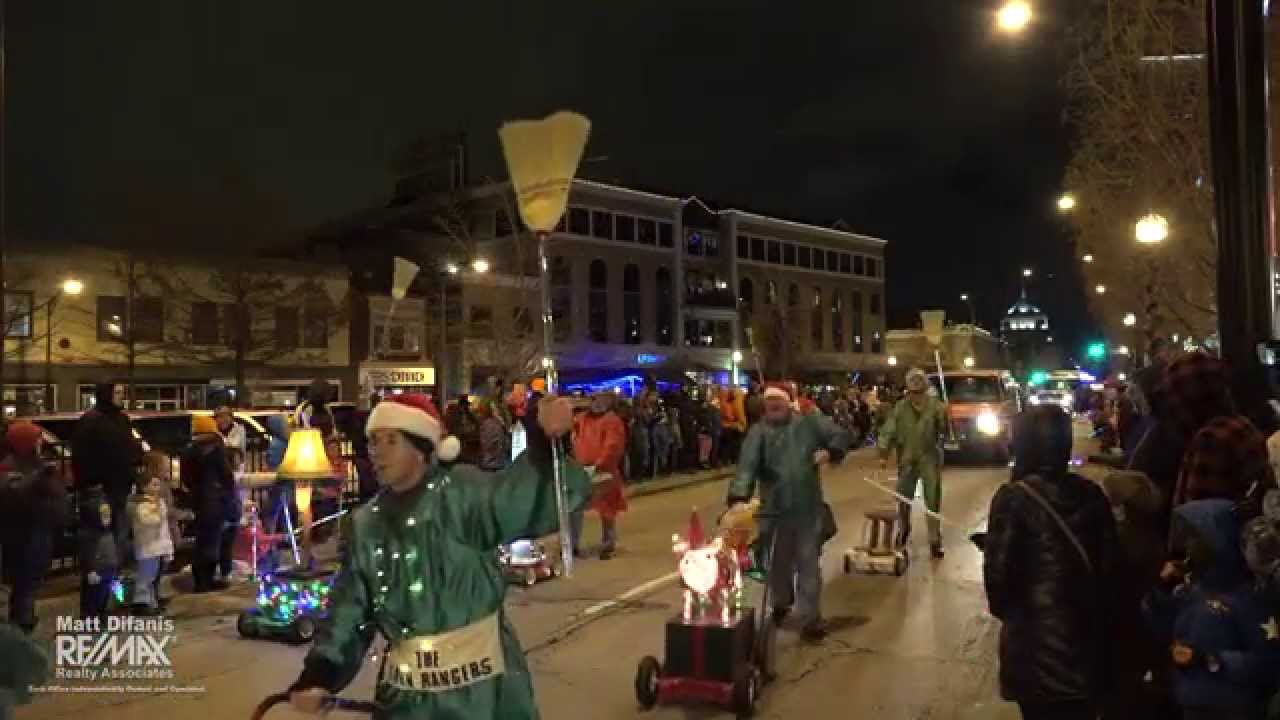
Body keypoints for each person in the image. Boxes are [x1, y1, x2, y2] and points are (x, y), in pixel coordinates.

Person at [288, 393, 590, 720]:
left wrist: (545, 441)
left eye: (391, 440)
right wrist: (319, 675)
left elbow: (526, 498)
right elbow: (349, 609)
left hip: (485, 695)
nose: (377, 451)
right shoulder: (366, 524)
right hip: (408, 702)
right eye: (374, 440)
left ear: (421, 449)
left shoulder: (463, 495)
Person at [983, 405, 1117, 720]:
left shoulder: (1013, 498)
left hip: (1036, 658)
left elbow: (998, 592)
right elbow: (1111, 573)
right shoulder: (1091, 494)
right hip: (1089, 651)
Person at [727, 384, 850, 642]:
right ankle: (781, 603)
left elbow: (842, 435)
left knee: (808, 564)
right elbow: (747, 467)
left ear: (787, 403)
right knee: (776, 564)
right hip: (774, 510)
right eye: (768, 401)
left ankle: (810, 618)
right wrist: (739, 497)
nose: (773, 405)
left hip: (807, 508)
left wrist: (830, 451)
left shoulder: (809, 424)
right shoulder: (758, 433)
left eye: (777, 401)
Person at [1145, 499, 1280, 720]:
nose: (1188, 545)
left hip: (1230, 709)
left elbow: (1266, 663)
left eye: (1195, 538)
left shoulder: (1249, 599)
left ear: (1218, 541)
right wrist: (1159, 591)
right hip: (1187, 702)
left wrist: (1210, 659)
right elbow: (1160, 630)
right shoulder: (1192, 590)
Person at [0, 422, 68, 633]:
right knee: (25, 578)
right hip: (23, 532)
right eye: (37, 439)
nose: (40, 443)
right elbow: (14, 492)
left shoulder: (38, 464)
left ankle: (24, 616)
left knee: (32, 577)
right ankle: (22, 620)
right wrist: (40, 479)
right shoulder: (9, 466)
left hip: (41, 528)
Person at [878, 368, 949, 558]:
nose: (915, 396)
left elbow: (945, 431)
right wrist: (883, 452)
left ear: (925, 389)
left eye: (919, 392)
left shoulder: (936, 407)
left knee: (932, 499)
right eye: (912, 392)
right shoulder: (900, 408)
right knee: (902, 497)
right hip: (907, 459)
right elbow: (889, 430)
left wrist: (946, 421)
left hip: (929, 457)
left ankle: (934, 539)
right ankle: (904, 529)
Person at [71, 383, 142, 565]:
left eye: (122, 392)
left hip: (120, 488)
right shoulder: (91, 420)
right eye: (117, 393)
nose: (121, 396)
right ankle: (98, 578)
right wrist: (91, 483)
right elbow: (81, 455)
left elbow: (129, 447)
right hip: (99, 490)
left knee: (119, 534)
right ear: (106, 394)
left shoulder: (122, 419)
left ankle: (115, 579)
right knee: (101, 538)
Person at [182, 414, 236, 593]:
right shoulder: (215, 446)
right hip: (215, 501)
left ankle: (200, 581)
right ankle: (208, 580)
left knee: (201, 542)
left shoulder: (188, 449)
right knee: (213, 542)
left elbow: (186, 479)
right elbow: (227, 476)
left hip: (199, 501)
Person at [571, 392, 628, 560]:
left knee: (607, 509)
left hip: (603, 471)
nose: (595, 403)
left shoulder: (611, 421)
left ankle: (608, 543)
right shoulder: (582, 419)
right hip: (582, 469)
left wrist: (600, 464)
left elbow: (613, 445)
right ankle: (572, 544)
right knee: (574, 507)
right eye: (593, 399)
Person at [128, 474, 174, 615]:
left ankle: (151, 602)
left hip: (158, 546)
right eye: (153, 484)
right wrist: (159, 514)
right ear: (144, 487)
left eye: (158, 484)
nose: (157, 487)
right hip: (147, 546)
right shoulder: (140, 504)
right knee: (146, 576)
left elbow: (163, 525)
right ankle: (141, 603)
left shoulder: (157, 502)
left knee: (153, 576)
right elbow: (148, 521)